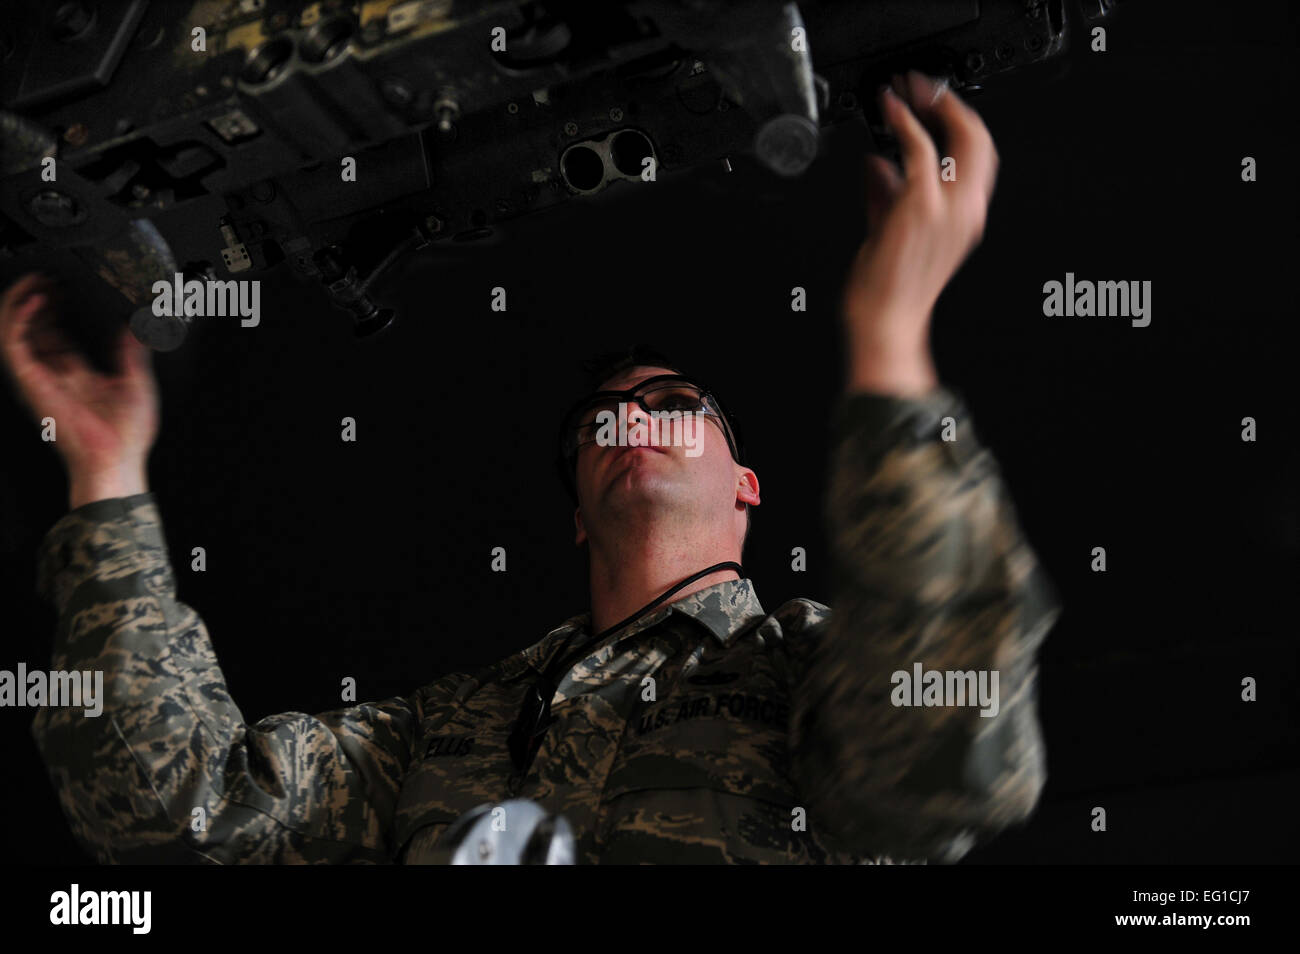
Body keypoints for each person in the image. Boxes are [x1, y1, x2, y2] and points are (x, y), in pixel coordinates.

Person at [2, 71, 1058, 864]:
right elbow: (168, 812)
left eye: (672, 405)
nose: (630, 423)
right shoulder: (438, 733)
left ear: (747, 482)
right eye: (600, 420)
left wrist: (888, 347)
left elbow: (947, 764)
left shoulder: (806, 676)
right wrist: (106, 480)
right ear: (574, 518)